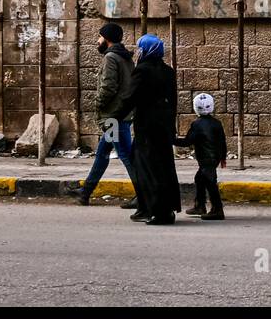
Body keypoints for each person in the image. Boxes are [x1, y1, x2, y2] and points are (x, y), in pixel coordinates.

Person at [69, 23, 139, 206]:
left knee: (125, 154)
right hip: (117, 117)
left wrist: (98, 104)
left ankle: (143, 194)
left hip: (115, 118)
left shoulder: (111, 58)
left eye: (99, 36)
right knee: (102, 153)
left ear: (107, 39)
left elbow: (108, 87)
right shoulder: (125, 58)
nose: (97, 40)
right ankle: (86, 191)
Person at [118, 34, 182, 225]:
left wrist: (115, 116)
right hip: (164, 129)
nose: (139, 52)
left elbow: (130, 98)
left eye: (141, 48)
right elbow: (173, 103)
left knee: (147, 169)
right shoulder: (168, 71)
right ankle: (151, 208)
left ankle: (157, 211)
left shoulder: (142, 71)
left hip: (147, 129)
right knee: (164, 167)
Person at [175, 92, 227, 220]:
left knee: (210, 183)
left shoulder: (196, 124)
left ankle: (217, 210)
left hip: (205, 159)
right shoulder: (217, 123)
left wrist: (171, 140)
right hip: (214, 158)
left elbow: (187, 142)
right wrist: (223, 157)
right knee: (199, 179)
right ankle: (200, 206)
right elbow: (222, 141)